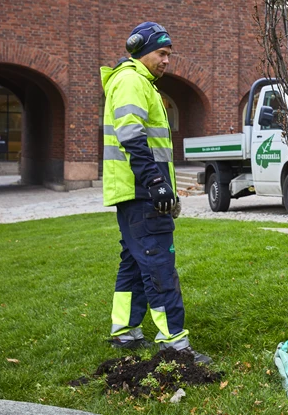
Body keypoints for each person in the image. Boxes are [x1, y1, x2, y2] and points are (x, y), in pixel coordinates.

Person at [100, 21, 211, 365]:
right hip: (141, 191)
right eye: (162, 53)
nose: (167, 61)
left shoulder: (136, 81)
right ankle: (174, 343)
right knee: (159, 262)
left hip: (133, 191)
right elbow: (132, 136)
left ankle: (125, 331)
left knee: (134, 261)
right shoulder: (132, 81)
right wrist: (156, 183)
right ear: (143, 51)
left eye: (168, 54)